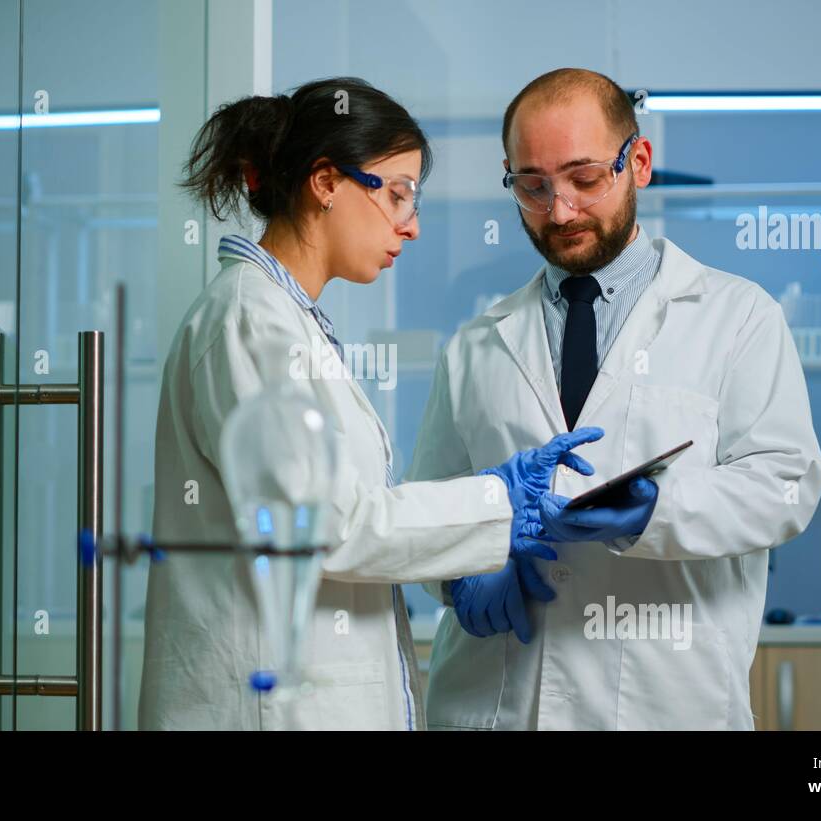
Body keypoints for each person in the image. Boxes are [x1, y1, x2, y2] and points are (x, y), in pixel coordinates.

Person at [140, 77, 600, 730]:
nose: (410, 226)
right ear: (326, 181)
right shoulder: (249, 320)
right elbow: (328, 525)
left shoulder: (284, 320)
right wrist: (497, 500)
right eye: (398, 194)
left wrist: (492, 510)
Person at [409, 68, 821, 730]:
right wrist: (458, 581)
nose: (561, 209)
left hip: (666, 706)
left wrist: (657, 509)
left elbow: (786, 487)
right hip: (495, 704)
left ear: (639, 162)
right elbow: (426, 507)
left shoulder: (739, 318)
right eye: (533, 185)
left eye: (584, 178)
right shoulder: (476, 344)